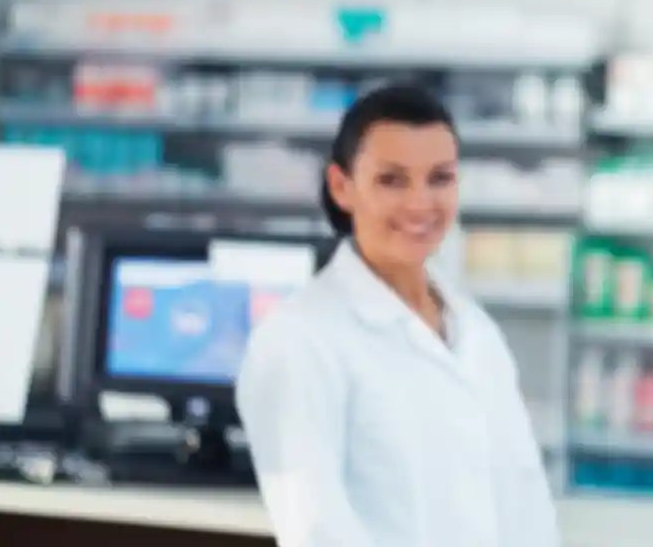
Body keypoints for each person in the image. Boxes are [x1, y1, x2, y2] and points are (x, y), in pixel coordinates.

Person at [236, 82, 559, 547]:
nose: (420, 204)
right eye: (392, 180)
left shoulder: (476, 333)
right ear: (341, 186)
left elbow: (526, 508)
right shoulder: (296, 342)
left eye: (440, 178)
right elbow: (317, 532)